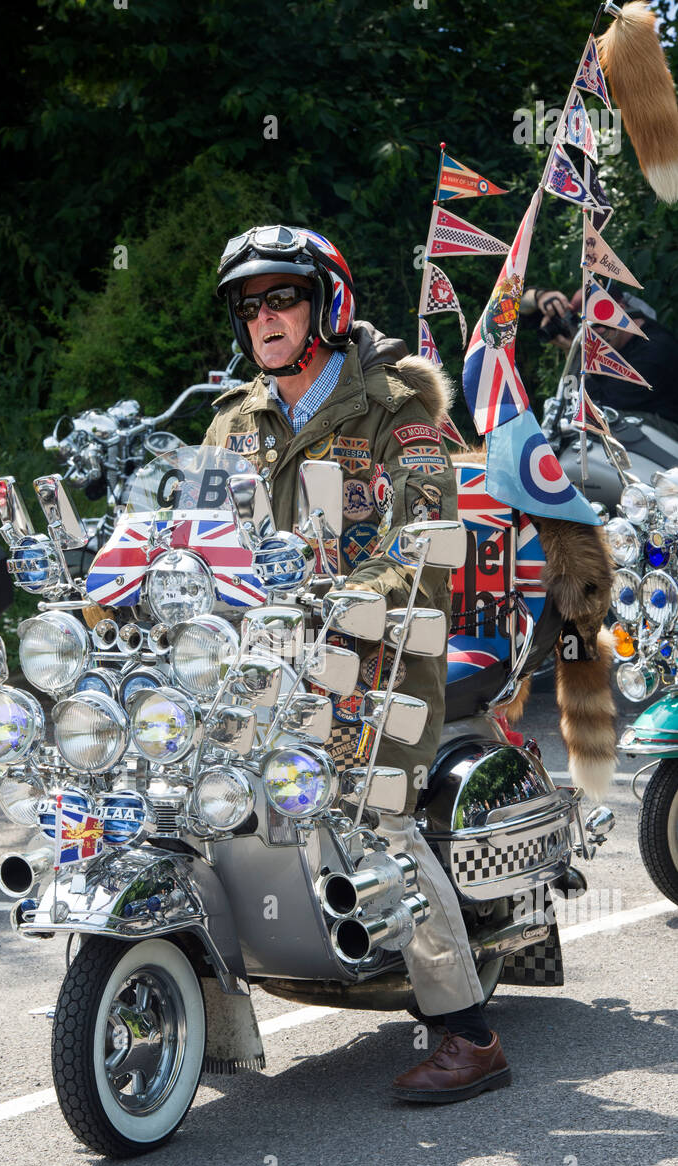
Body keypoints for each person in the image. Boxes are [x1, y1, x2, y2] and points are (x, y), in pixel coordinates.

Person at [204, 224, 511, 1104]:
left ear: (325, 304)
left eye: (282, 297)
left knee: (375, 818)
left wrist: (342, 606)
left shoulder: (395, 413)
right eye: (248, 304)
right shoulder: (236, 420)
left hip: (376, 655)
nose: (264, 317)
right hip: (259, 659)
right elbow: (202, 534)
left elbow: (423, 546)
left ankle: (466, 1030)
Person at [520, 283, 678, 440]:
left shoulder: (655, 351)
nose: (587, 333)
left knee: (590, 426)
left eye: (594, 323)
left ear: (620, 309)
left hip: (666, 438)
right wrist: (540, 296)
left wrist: (576, 353)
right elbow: (513, 307)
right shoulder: (611, 339)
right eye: (581, 324)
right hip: (633, 431)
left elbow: (592, 406)